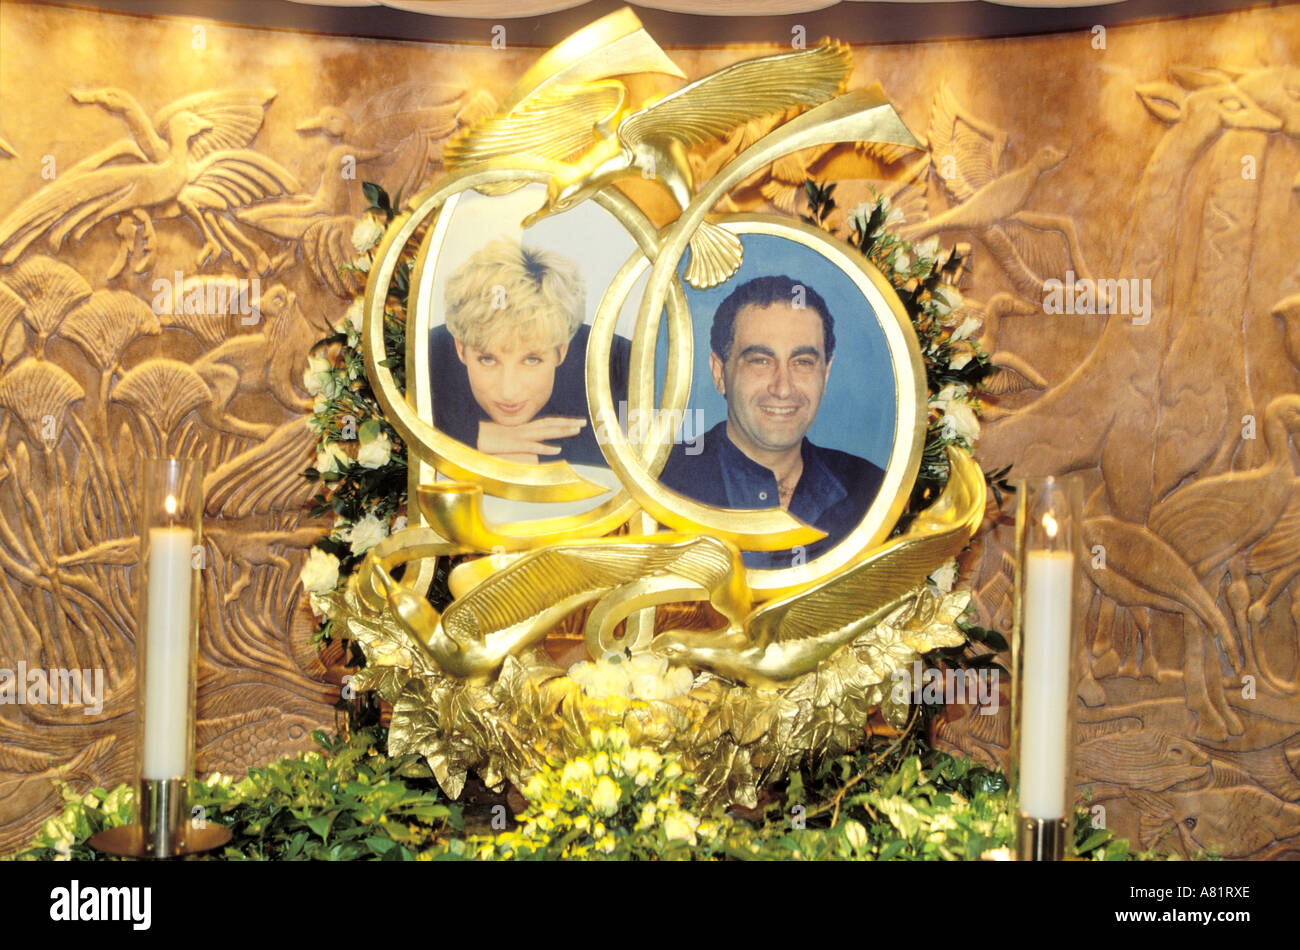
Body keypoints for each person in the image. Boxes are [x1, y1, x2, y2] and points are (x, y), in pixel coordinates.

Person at [660, 275, 885, 568]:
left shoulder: (872, 490)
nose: (783, 388)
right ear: (719, 372)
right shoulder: (659, 482)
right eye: (760, 361)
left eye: (802, 362)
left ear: (825, 374)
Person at [428, 237, 630, 465]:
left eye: (532, 360)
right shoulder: (428, 356)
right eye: (487, 359)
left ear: (562, 350)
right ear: (460, 348)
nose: (508, 392)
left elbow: (667, 444)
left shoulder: (617, 364)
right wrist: (468, 436)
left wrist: (537, 459)